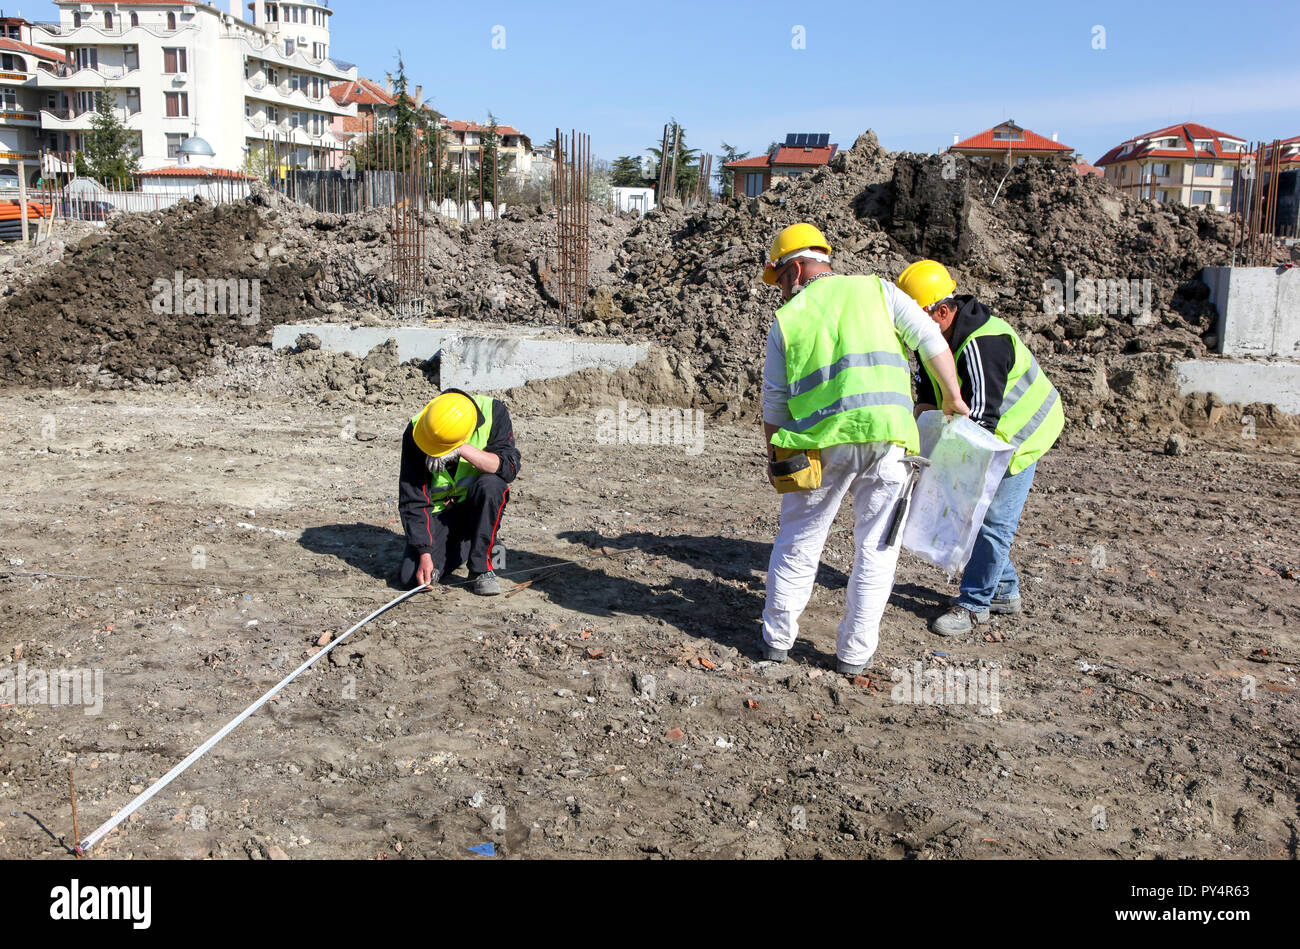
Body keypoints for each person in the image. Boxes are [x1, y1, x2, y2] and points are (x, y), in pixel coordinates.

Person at [760, 224, 970, 675]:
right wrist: (952, 397)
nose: (780, 293)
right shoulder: (878, 290)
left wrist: (775, 454)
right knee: (876, 549)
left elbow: (775, 402)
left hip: (819, 446)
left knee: (799, 541)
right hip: (891, 440)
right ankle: (853, 656)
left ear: (795, 269)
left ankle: (777, 640)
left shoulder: (788, 320)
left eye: (779, 282)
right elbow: (930, 340)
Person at [897, 259, 1064, 636]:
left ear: (942, 311)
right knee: (971, 510)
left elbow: (981, 425)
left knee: (990, 520)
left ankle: (975, 605)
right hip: (985, 429)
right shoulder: (930, 337)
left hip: (1020, 435)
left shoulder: (983, 344)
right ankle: (1003, 589)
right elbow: (926, 394)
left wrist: (942, 469)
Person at [397, 390, 520, 595]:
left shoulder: (493, 412)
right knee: (412, 578)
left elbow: (508, 469)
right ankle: (473, 540)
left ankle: (481, 567)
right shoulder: (421, 429)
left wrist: (463, 449)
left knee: (492, 485)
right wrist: (425, 553)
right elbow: (413, 499)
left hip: (475, 508)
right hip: (438, 514)